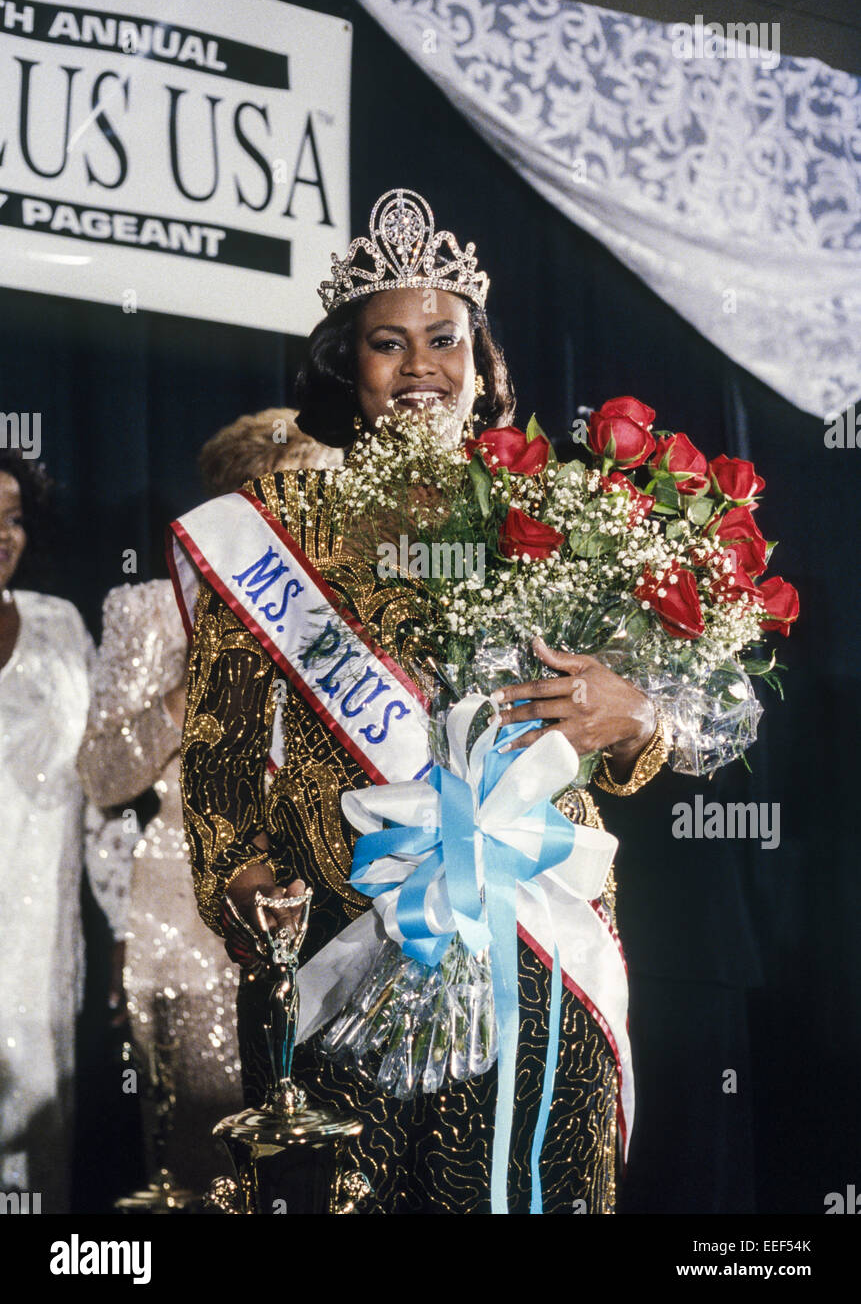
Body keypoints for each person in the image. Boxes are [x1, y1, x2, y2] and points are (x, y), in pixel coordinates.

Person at [176, 190, 667, 1214]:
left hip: (541, 929)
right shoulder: (278, 524)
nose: (418, 369)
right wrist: (238, 875)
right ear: (345, 371)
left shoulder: (557, 512)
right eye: (386, 345)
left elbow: (634, 725)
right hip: (356, 937)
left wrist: (643, 719)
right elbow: (219, 745)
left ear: (483, 361)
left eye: (443, 339)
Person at [77, 410, 342, 1202]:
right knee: (207, 1168)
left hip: (338, 913)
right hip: (193, 921)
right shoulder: (157, 607)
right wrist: (193, 680)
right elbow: (101, 774)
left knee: (333, 1169)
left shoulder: (357, 617)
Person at [0, 450, 95, 1213]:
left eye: (13, 518)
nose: (4, 535)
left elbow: (103, 782)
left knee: (36, 1145)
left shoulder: (58, 622)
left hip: (39, 945)